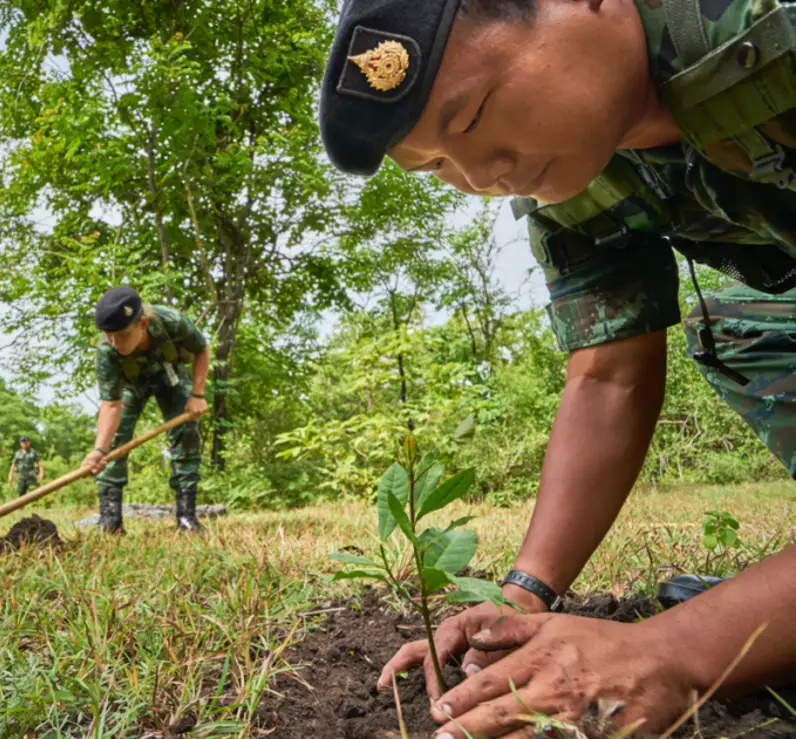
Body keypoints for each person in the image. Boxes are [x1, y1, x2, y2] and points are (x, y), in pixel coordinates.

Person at [319, 0, 796, 735]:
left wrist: (677, 648)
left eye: (471, 116)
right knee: (734, 323)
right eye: (436, 166)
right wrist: (523, 594)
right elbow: (610, 373)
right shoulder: (581, 162)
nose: (482, 174)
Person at [81, 286, 211, 534]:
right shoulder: (106, 350)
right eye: (109, 336)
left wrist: (197, 394)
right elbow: (110, 404)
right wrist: (99, 449)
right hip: (131, 386)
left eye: (121, 335)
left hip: (169, 377)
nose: (114, 343)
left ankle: (187, 518)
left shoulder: (171, 321)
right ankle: (110, 521)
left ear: (141, 323)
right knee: (115, 441)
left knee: (187, 433)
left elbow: (201, 348)